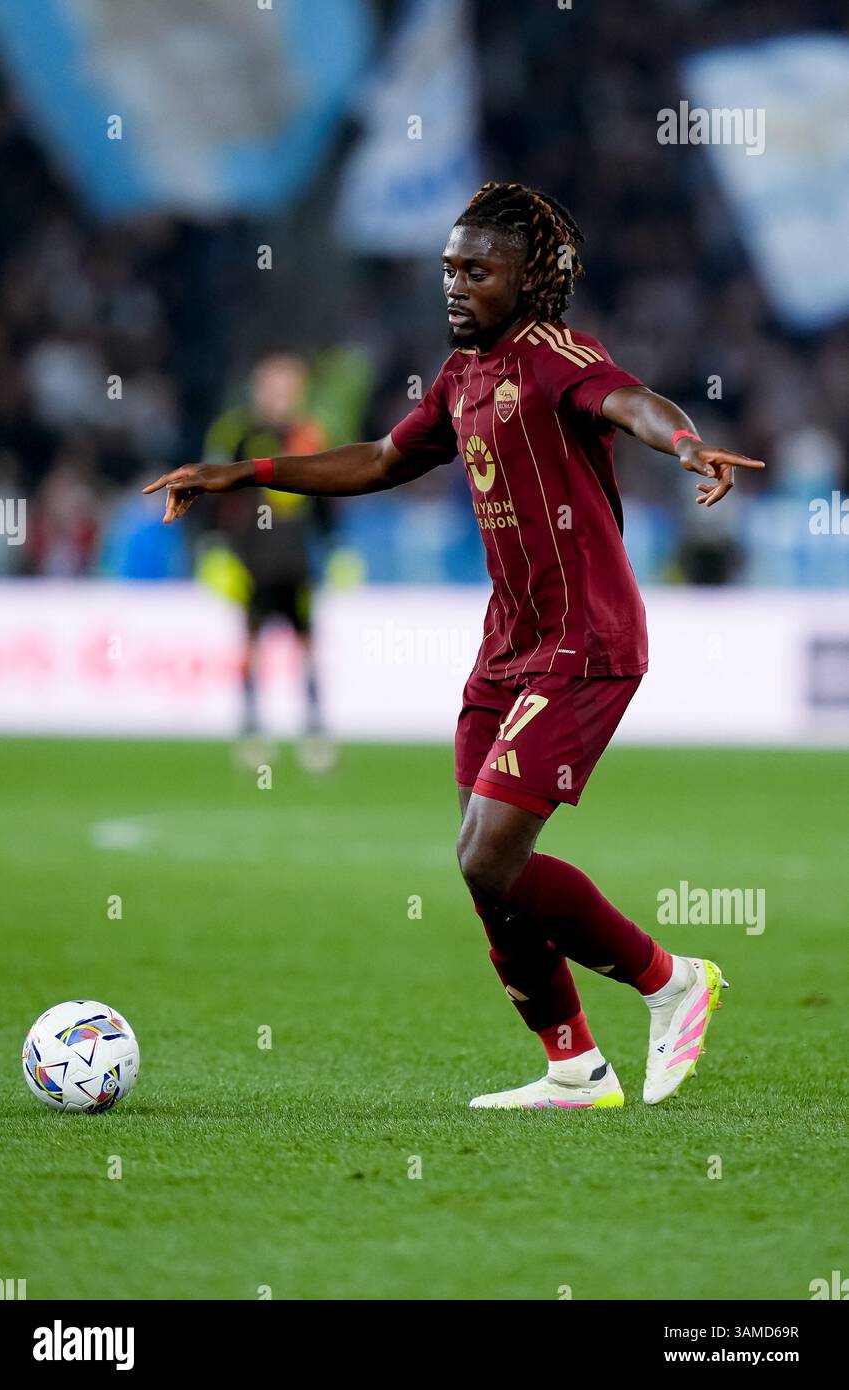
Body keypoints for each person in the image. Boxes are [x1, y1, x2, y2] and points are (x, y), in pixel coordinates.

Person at [144, 181, 764, 1110]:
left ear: (530, 278)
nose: (455, 284)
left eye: (477, 270)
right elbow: (386, 460)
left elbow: (630, 400)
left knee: (488, 857)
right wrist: (246, 471)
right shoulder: (460, 375)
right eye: (448, 268)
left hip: (586, 640)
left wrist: (682, 441)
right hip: (507, 644)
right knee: (485, 871)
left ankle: (671, 981)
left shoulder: (556, 356)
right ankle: (573, 1067)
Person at [202, 352, 336, 771]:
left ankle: (314, 731)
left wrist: (335, 547)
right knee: (251, 643)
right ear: (258, 389)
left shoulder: (311, 434)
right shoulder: (236, 432)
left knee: (308, 643)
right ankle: (251, 729)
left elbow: (329, 497)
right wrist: (214, 548)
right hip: (251, 559)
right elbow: (212, 491)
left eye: (289, 386)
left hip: (296, 559)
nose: (281, 395)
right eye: (274, 386)